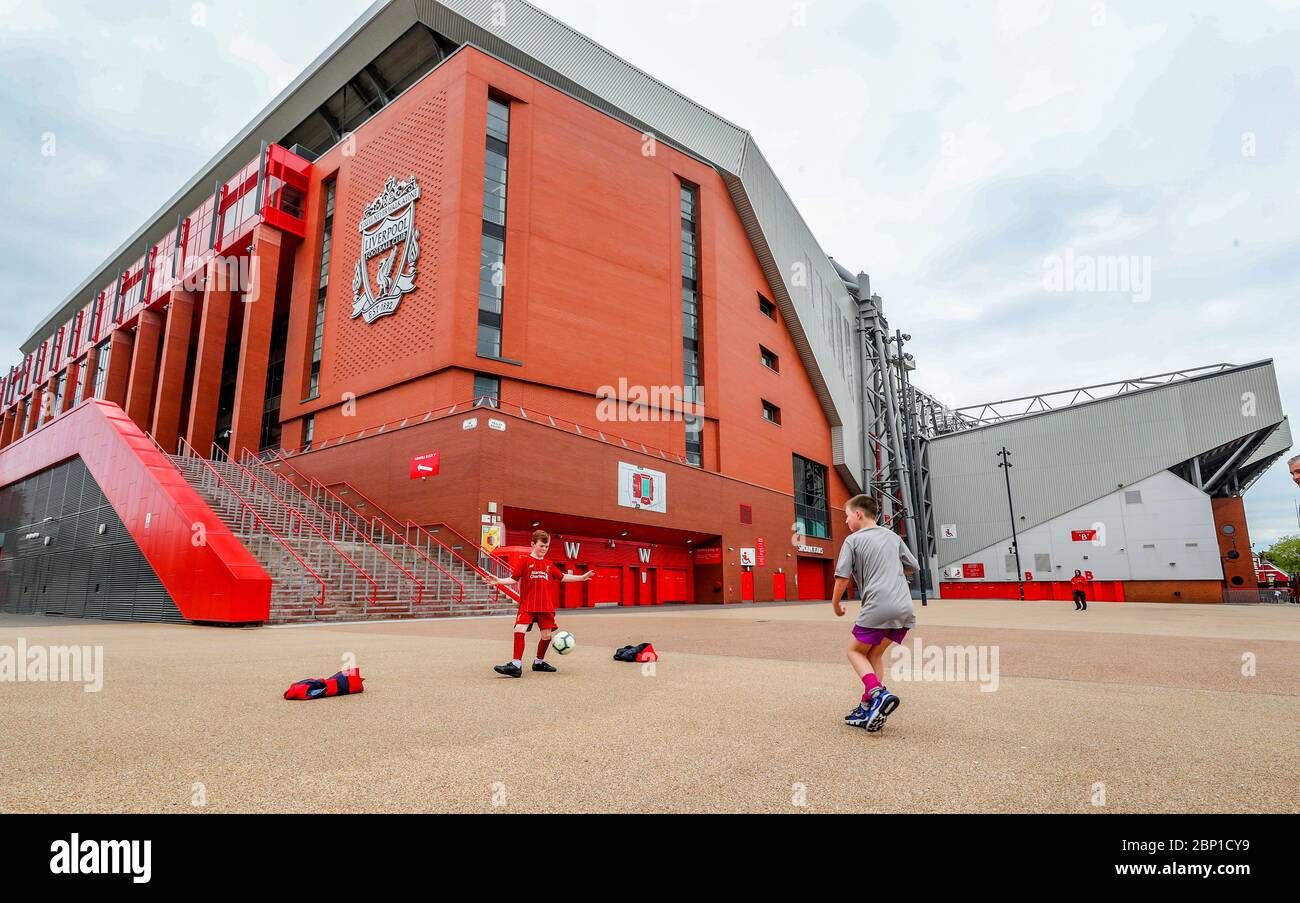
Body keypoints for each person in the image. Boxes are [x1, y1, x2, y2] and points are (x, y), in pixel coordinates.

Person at [830, 495, 919, 733]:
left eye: (847, 516)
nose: (846, 521)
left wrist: (835, 602)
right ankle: (868, 707)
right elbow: (914, 566)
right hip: (904, 607)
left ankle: (878, 693)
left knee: (854, 651)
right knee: (874, 655)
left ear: (858, 515)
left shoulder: (853, 540)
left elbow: (842, 575)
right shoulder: (893, 537)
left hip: (878, 605)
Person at [487, 529, 594, 678]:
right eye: (541, 546)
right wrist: (499, 581)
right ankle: (516, 665)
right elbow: (514, 578)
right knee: (519, 629)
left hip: (545, 605)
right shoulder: (524, 561)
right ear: (533, 544)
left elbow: (562, 577)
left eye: (546, 546)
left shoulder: (549, 564)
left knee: (546, 636)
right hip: (528, 604)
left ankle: (538, 662)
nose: (544, 549)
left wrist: (581, 577)